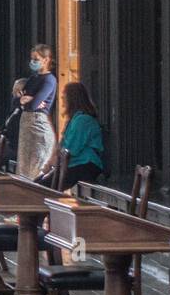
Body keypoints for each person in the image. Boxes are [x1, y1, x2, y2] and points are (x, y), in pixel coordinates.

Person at [41, 81, 105, 187]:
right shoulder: (74, 119)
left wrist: (56, 160)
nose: (62, 102)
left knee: (43, 187)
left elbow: (72, 149)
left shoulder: (83, 120)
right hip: (72, 163)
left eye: (63, 98)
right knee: (38, 184)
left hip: (85, 164)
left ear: (72, 99)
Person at [16, 42, 57, 179]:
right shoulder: (33, 78)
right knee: (24, 166)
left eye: (36, 59)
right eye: (32, 59)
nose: (33, 62)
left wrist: (28, 100)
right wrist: (25, 100)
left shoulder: (49, 80)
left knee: (36, 166)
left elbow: (34, 104)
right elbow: (19, 100)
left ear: (46, 60)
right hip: (26, 124)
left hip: (38, 124)